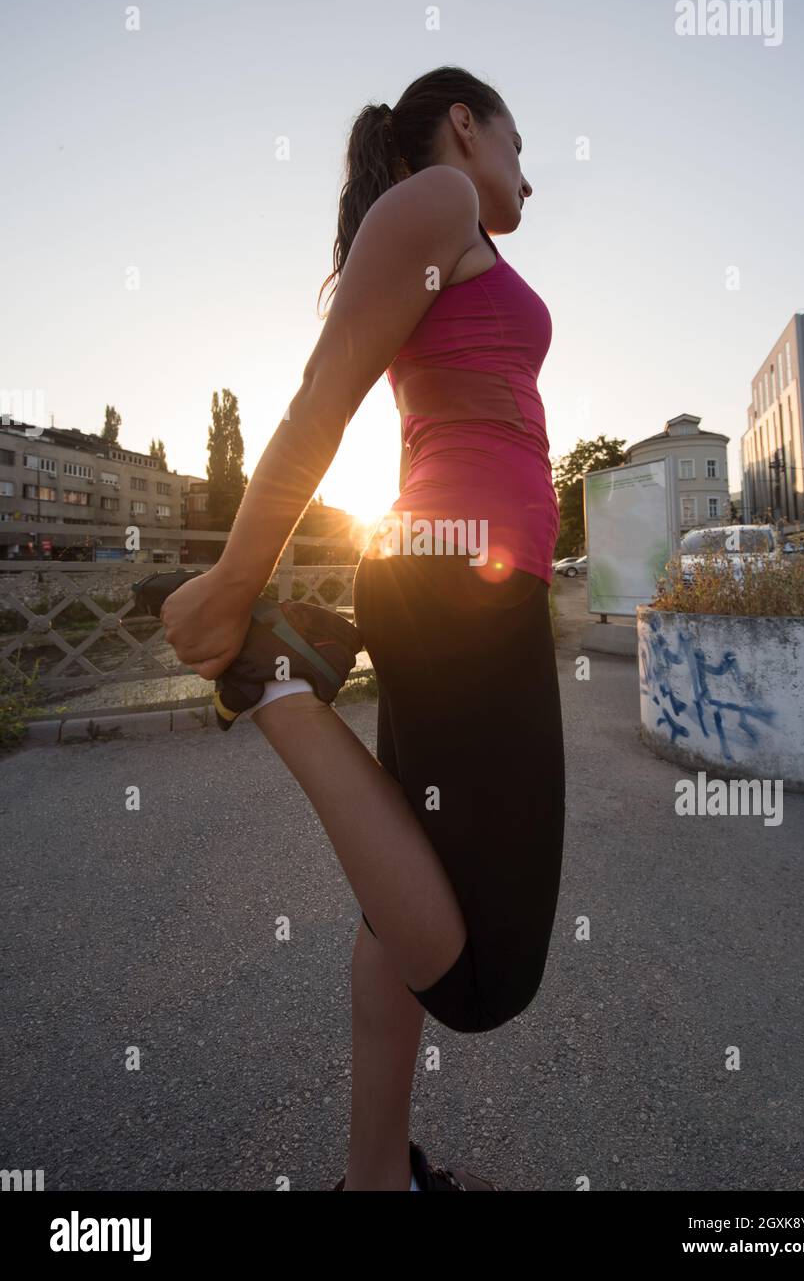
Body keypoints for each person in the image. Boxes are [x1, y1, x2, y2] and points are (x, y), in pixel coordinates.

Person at [160, 65, 566, 1191]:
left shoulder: (446, 229)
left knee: (401, 924)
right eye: (518, 140)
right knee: (484, 978)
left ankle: (373, 1178)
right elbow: (321, 395)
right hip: (462, 590)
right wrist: (235, 586)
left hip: (457, 579)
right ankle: (274, 678)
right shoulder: (438, 204)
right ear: (465, 125)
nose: (529, 173)